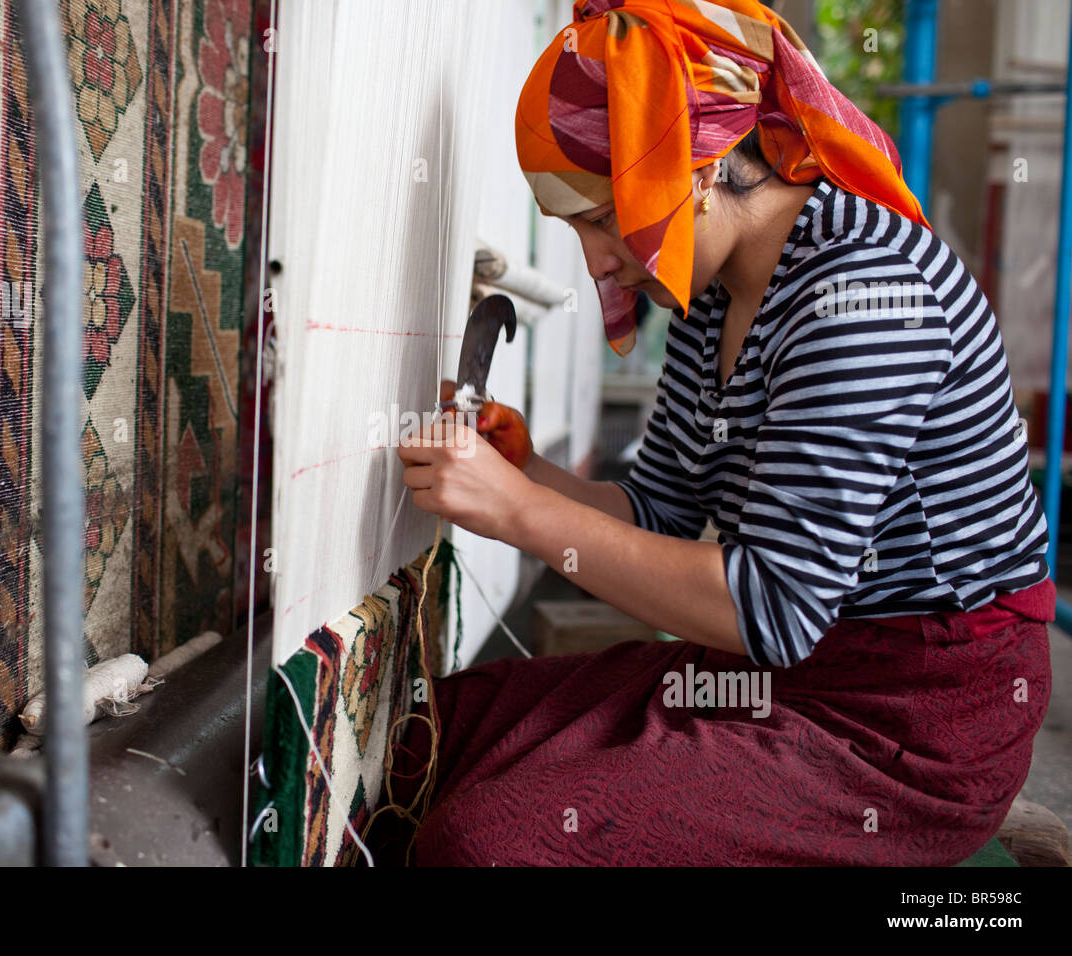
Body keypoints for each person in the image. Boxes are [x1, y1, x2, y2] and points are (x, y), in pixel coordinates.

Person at [377, 0, 1054, 866]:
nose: (594, 261)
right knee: (436, 737)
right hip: (780, 679)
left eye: (598, 216)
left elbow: (773, 609)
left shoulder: (868, 298)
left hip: (907, 735)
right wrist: (529, 473)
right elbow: (657, 510)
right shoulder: (712, 293)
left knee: (491, 846)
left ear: (694, 171)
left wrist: (517, 513)